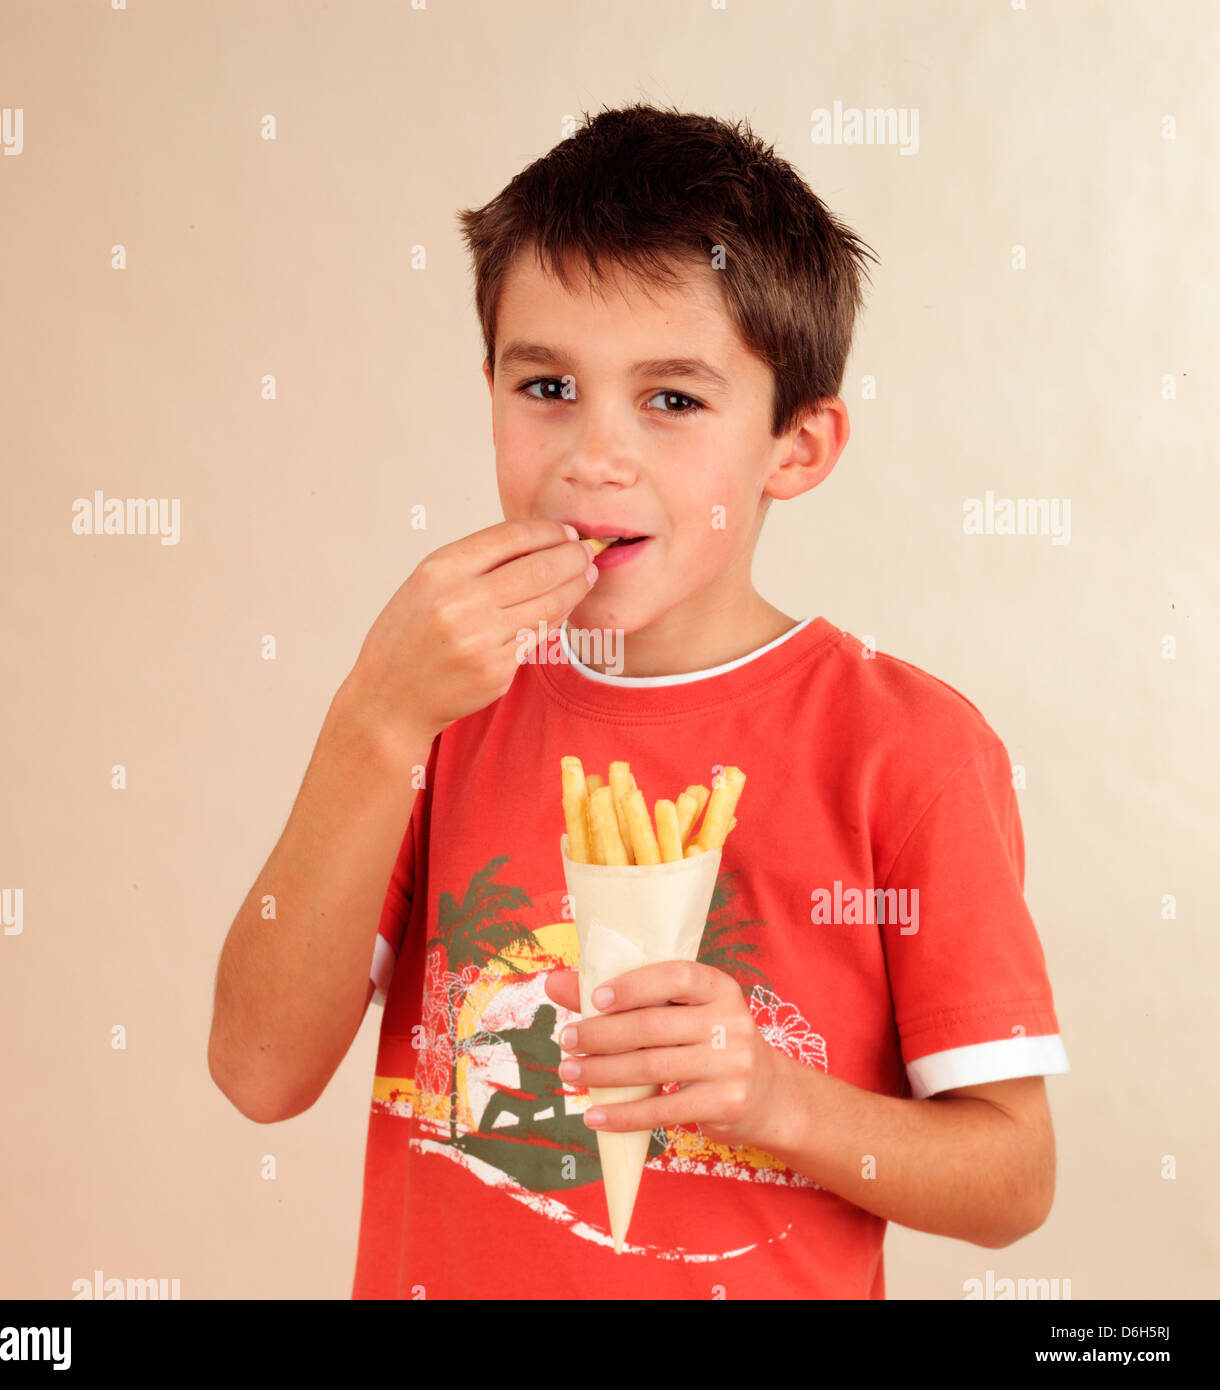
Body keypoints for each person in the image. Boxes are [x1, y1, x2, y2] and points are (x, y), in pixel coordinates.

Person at [208, 102, 1069, 1299]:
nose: (591, 455)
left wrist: (776, 1097)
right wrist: (376, 715)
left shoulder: (906, 747)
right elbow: (259, 1070)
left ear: (798, 445)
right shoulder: (440, 706)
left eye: (672, 399)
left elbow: (1012, 1180)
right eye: (546, 384)